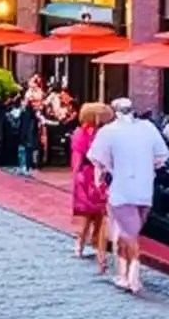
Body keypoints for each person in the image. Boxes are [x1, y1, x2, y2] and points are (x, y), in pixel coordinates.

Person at [86, 97, 169, 294]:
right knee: (129, 231)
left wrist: (110, 169)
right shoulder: (148, 128)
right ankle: (124, 273)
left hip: (122, 188)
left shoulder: (109, 131)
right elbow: (161, 156)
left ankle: (133, 274)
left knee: (128, 233)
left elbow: (96, 158)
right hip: (144, 187)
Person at [71, 102, 113, 272]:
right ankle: (85, 245)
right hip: (89, 175)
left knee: (94, 214)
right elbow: (78, 158)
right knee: (90, 214)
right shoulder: (84, 134)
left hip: (94, 175)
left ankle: (90, 246)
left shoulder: (93, 133)